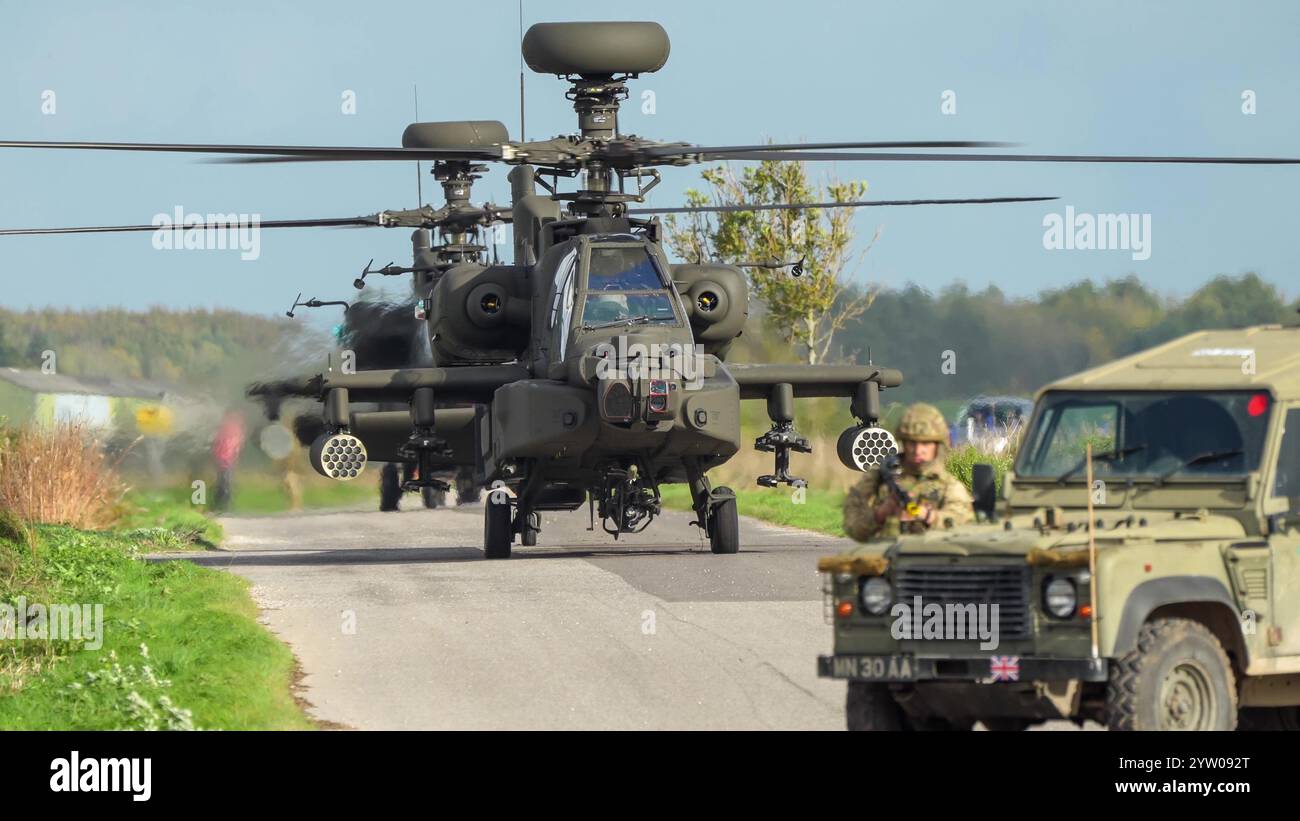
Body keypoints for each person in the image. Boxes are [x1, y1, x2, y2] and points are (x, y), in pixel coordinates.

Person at [843, 402, 974, 540]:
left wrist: (929, 516)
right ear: (904, 443)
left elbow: (964, 527)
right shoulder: (879, 477)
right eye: (912, 443)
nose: (918, 451)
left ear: (937, 445)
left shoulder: (948, 486)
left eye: (925, 443)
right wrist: (881, 514)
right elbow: (852, 526)